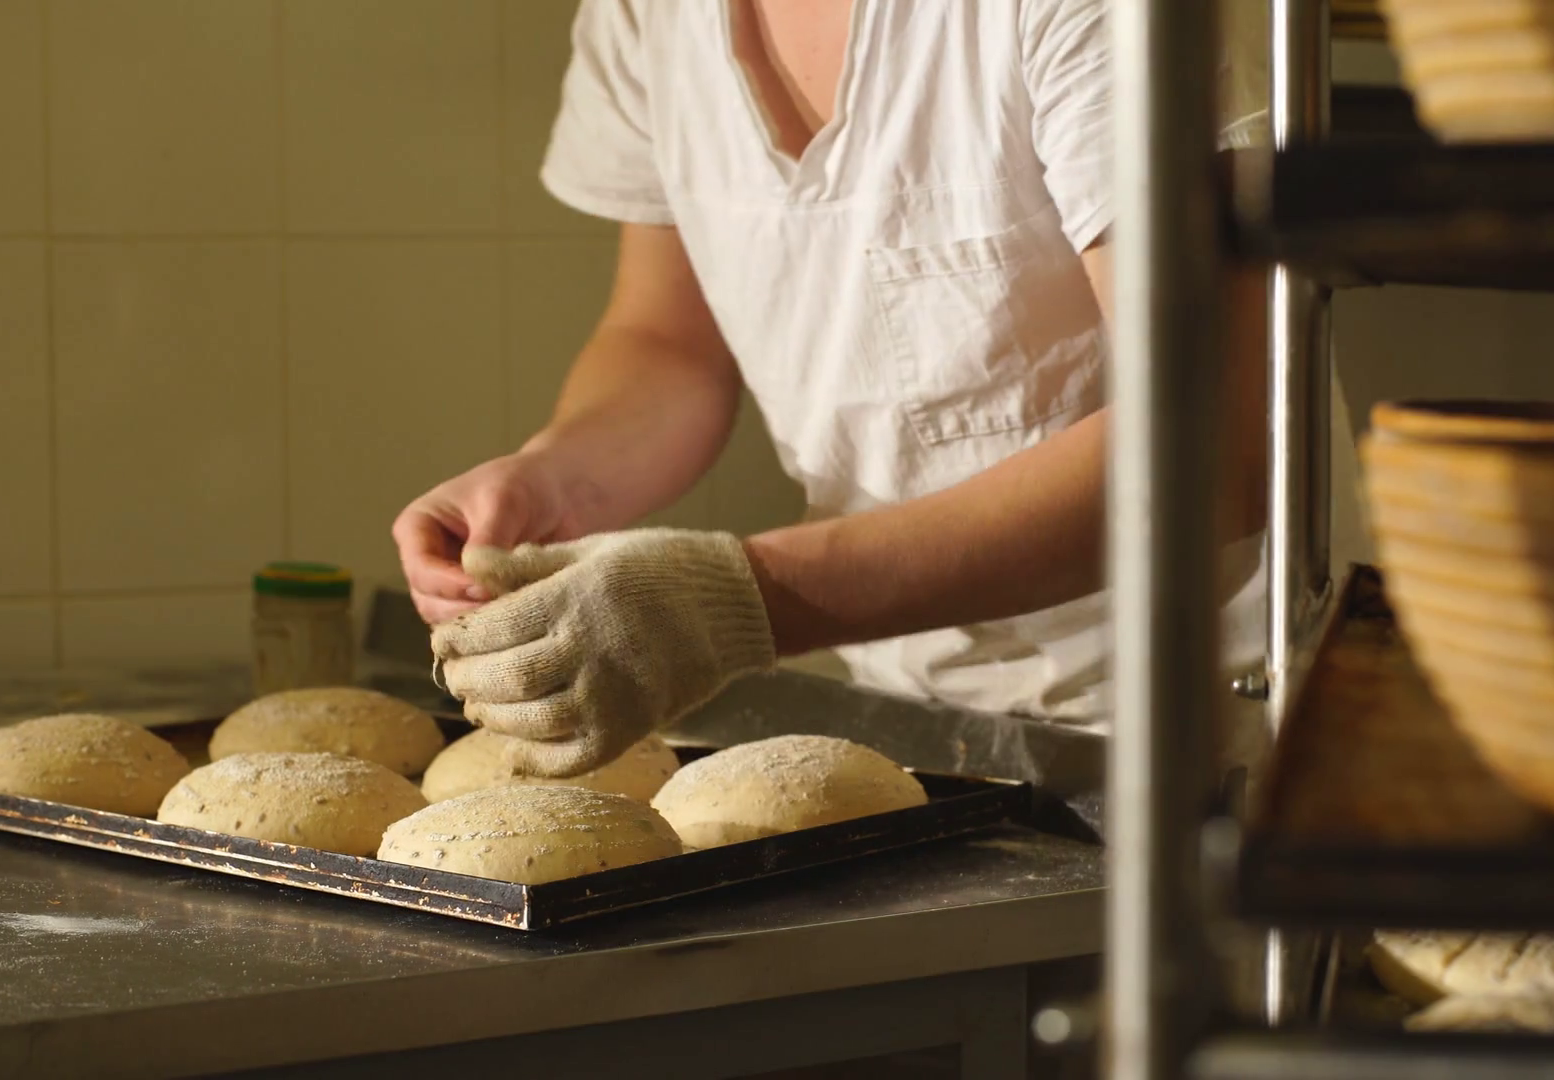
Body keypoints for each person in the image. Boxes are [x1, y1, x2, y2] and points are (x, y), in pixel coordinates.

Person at [396, 0, 1273, 777]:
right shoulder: (644, 14)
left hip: (1204, 728)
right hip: (915, 724)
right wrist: (553, 478)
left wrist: (739, 601)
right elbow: (667, 345)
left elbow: (1210, 443)